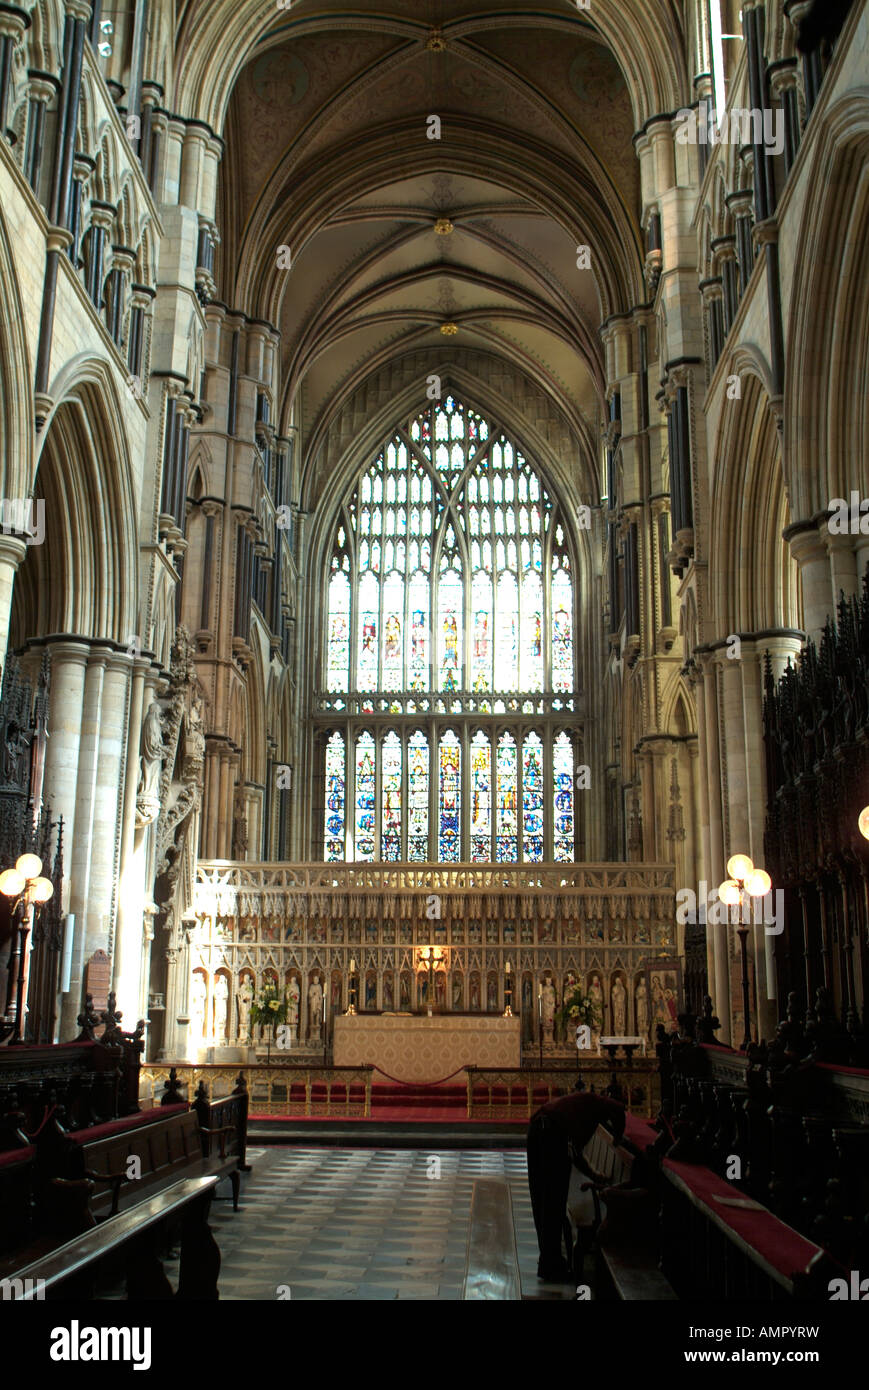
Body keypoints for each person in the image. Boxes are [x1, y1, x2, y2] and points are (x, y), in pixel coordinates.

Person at [526, 1088, 626, 1281]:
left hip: (539, 1130)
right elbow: (576, 1151)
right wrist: (594, 1174)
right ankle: (551, 1264)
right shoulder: (593, 1111)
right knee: (553, 1202)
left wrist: (593, 1174)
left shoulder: (588, 1102)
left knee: (543, 1199)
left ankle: (549, 1259)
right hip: (549, 1137)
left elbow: (573, 1148)